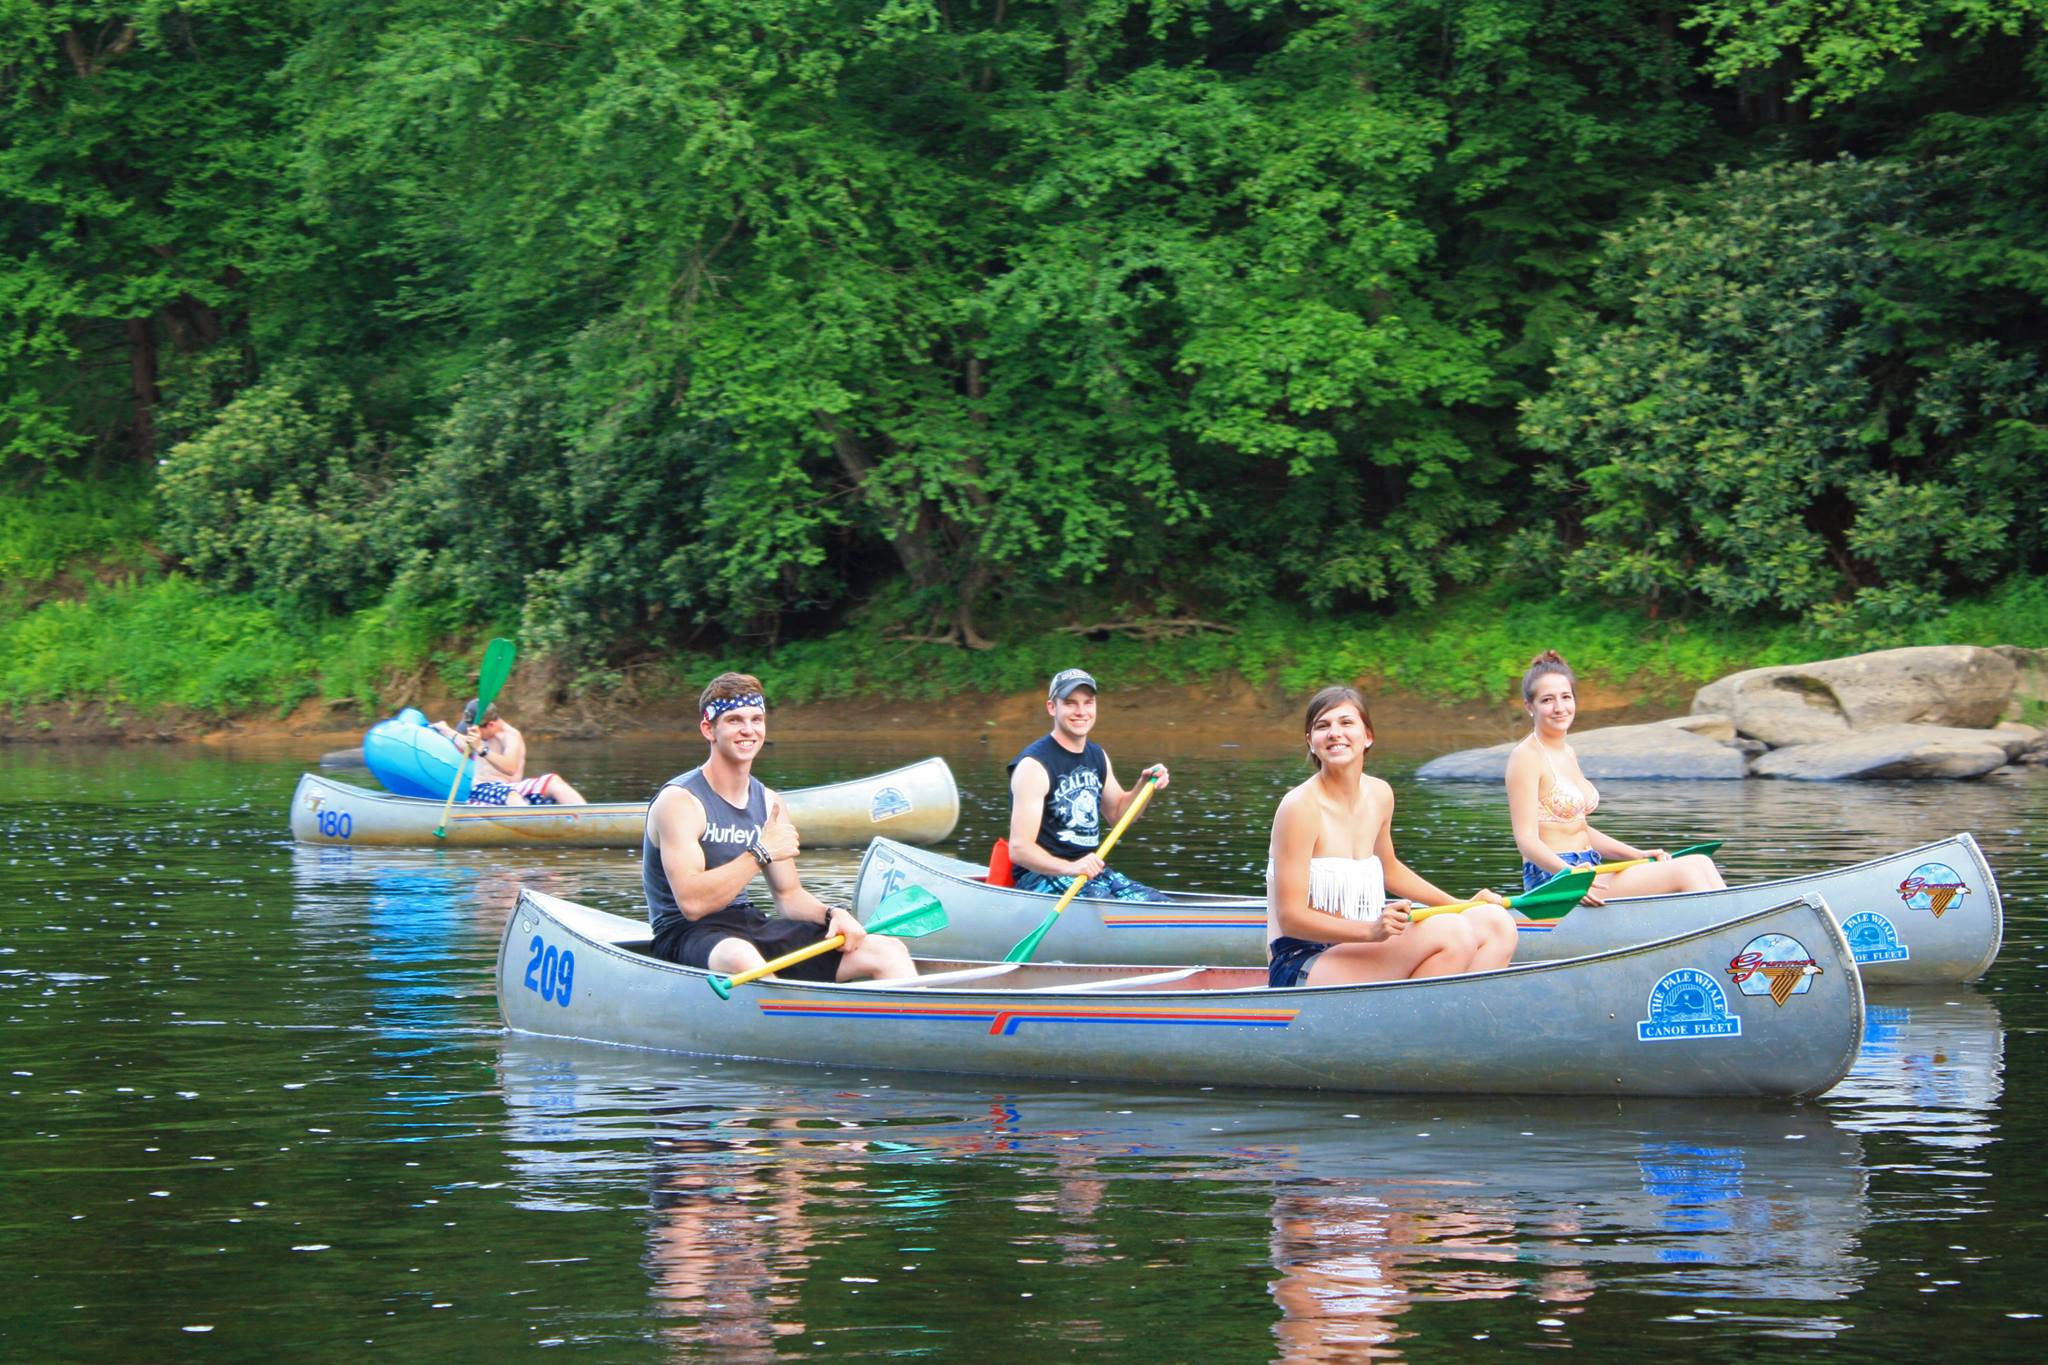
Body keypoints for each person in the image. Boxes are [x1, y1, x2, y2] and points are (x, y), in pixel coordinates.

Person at [642, 671, 915, 984]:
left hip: (747, 923)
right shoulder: (680, 802)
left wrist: (833, 914)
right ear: (709, 729)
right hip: (683, 934)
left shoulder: (769, 803)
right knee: (741, 957)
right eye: (734, 720)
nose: (748, 730)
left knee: (887, 950)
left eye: (756, 719)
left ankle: (921, 1028)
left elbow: (789, 897)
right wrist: (760, 852)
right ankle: (791, 1020)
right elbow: (692, 905)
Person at [1266, 686, 1517, 987]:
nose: (1334, 732)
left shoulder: (1380, 794)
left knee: (1495, 923)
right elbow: (1291, 917)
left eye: (1346, 723)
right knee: (1451, 932)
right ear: (1311, 741)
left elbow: (1389, 868)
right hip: (1303, 961)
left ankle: (1457, 1019)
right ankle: (1421, 1023)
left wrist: (1463, 904)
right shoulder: (1299, 807)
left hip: (1363, 948)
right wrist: (1372, 931)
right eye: (1322, 726)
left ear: (1368, 736)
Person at [1506, 649, 1726, 904]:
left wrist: (1635, 854)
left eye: (1566, 697)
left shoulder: (1567, 752)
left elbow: (1580, 829)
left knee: (1699, 861)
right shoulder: (1525, 757)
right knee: (1686, 870)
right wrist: (1568, 876)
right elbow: (1526, 840)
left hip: (1588, 867)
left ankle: (1736, 928)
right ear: (1529, 706)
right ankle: (1727, 933)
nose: (1559, 708)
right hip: (1554, 878)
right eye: (1547, 700)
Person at [1007, 668, 1170, 901]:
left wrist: (1144, 787)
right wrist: (1070, 868)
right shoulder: (1033, 766)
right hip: (1039, 878)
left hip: (1090, 873)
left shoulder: (1097, 755)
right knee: (1104, 902)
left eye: (1088, 703)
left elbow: (1118, 814)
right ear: (1052, 707)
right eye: (1071, 703)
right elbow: (1019, 849)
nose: (1081, 712)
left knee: (1158, 902)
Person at [432, 701, 587, 806]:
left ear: (491, 724)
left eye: (476, 729)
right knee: (510, 794)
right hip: (482, 792)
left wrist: (481, 749)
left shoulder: (511, 736)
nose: (472, 733)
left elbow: (510, 767)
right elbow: (462, 741)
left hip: (512, 789)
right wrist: (445, 730)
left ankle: (586, 816)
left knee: (553, 781)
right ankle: (532, 825)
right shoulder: (477, 736)